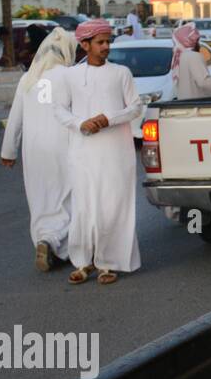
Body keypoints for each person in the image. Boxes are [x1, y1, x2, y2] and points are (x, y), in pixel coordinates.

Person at [52, 20, 144, 285]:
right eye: (100, 42)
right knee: (84, 207)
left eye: (108, 41)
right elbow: (58, 109)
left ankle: (108, 263)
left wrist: (109, 118)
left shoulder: (121, 72)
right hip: (82, 151)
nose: (106, 46)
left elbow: (135, 107)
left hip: (116, 151)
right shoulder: (69, 76)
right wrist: (80, 123)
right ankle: (83, 262)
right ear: (85, 45)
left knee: (112, 206)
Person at [0, 27, 80, 271]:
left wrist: (8, 152)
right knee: (67, 197)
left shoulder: (28, 79)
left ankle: (44, 238)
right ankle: (59, 243)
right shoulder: (70, 76)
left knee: (41, 196)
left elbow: (15, 119)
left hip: (34, 149)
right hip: (64, 145)